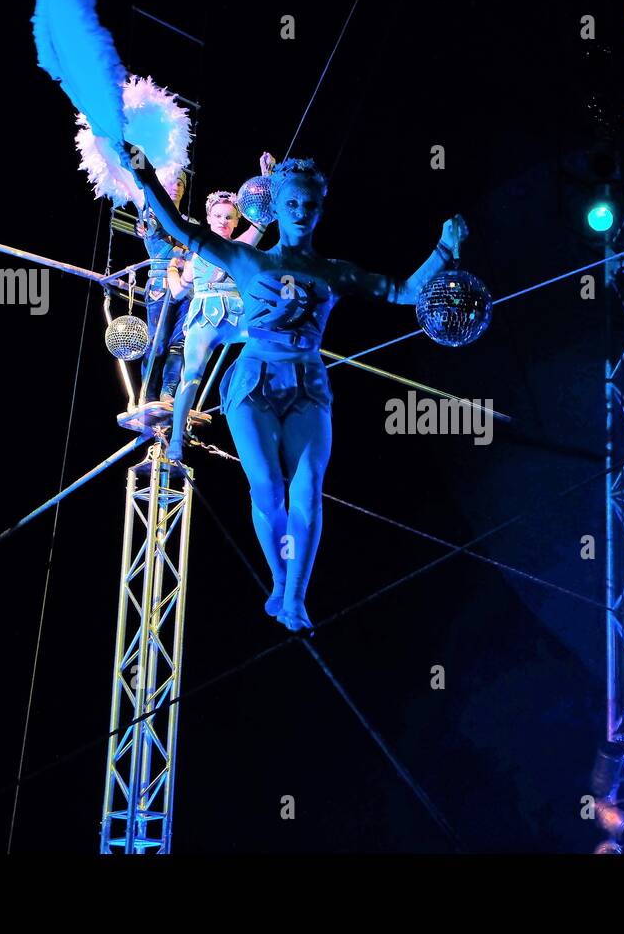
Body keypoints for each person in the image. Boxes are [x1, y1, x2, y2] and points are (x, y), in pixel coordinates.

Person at [129, 147, 468, 631]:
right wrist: (144, 175)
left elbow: (404, 292)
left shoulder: (334, 270)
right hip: (254, 384)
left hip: (307, 386)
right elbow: (182, 231)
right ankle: (280, 578)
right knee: (267, 487)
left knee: (308, 492)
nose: (301, 213)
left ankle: (293, 598)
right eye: (291, 205)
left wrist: (443, 249)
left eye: (309, 206)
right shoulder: (245, 258)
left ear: (319, 210)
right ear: (279, 206)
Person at [167, 153, 275, 459]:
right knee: (192, 374)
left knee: (270, 339)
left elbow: (262, 222)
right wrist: (171, 269)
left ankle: (260, 410)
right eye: (219, 217)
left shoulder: (239, 247)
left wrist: (265, 178)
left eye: (230, 217)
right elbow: (177, 292)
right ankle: (176, 436)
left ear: (236, 220)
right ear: (209, 218)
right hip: (204, 318)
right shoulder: (197, 249)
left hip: (238, 315)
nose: (224, 222)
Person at [135, 170, 193, 403]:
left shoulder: (189, 224)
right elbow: (148, 226)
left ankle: (167, 393)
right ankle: (147, 394)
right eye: (171, 182)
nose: (176, 187)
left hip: (186, 285)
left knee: (179, 342)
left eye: (180, 183)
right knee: (157, 342)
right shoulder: (153, 214)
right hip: (161, 283)